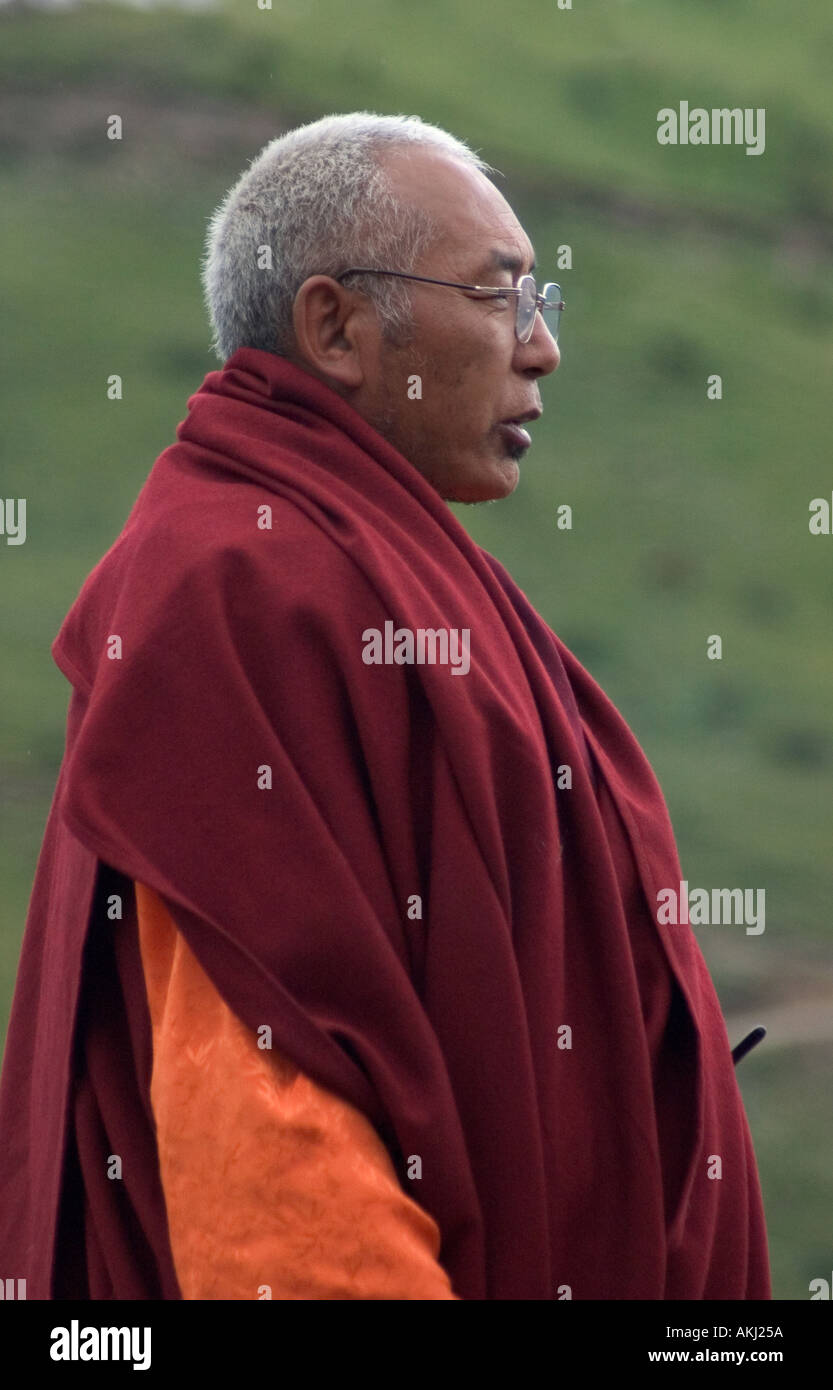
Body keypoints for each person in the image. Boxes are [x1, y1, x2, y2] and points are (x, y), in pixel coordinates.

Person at [0, 112, 771, 1300]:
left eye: (541, 299)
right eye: (498, 294)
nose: (541, 348)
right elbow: (268, 1123)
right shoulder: (234, 587)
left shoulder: (394, 578)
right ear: (335, 328)